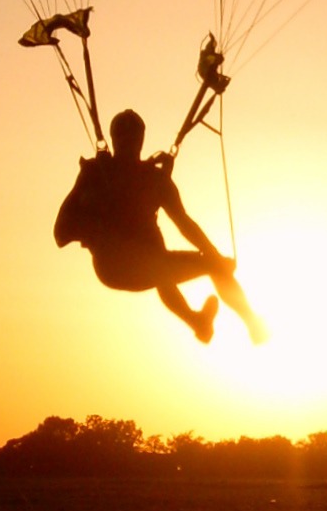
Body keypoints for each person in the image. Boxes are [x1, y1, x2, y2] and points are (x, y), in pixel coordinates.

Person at [55, 108, 266, 344]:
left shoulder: (153, 179)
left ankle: (199, 322)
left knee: (164, 263)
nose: (128, 143)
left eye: (131, 138)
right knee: (178, 264)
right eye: (124, 138)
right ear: (118, 140)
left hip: (131, 266)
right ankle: (249, 324)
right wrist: (96, 222)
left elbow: (185, 225)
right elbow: (60, 232)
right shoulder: (101, 173)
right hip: (115, 265)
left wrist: (216, 257)